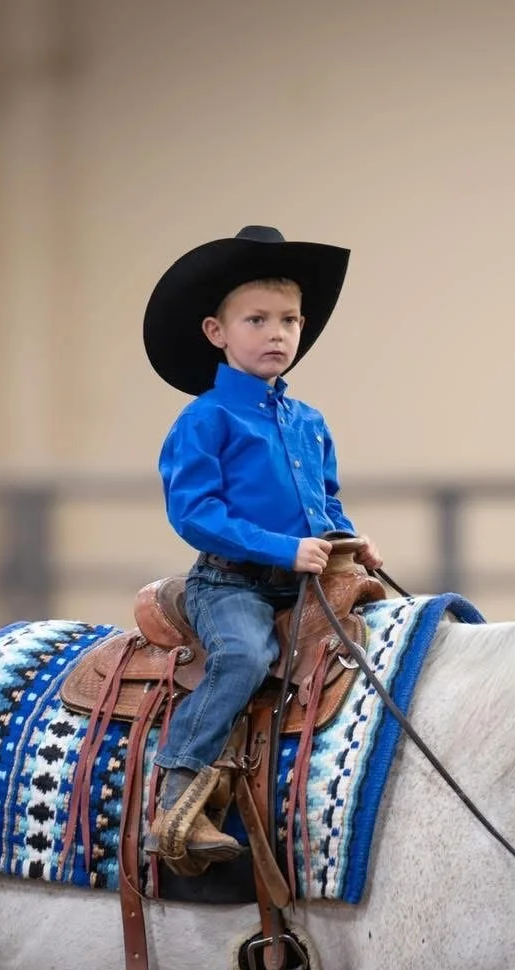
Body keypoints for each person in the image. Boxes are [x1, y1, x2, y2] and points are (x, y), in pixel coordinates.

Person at [139, 225, 382, 866]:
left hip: (300, 575)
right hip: (232, 582)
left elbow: (324, 502)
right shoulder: (205, 418)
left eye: (290, 321)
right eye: (257, 320)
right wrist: (284, 548)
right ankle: (179, 789)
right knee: (245, 657)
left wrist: (348, 539)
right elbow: (194, 513)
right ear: (217, 333)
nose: (278, 334)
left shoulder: (309, 422)